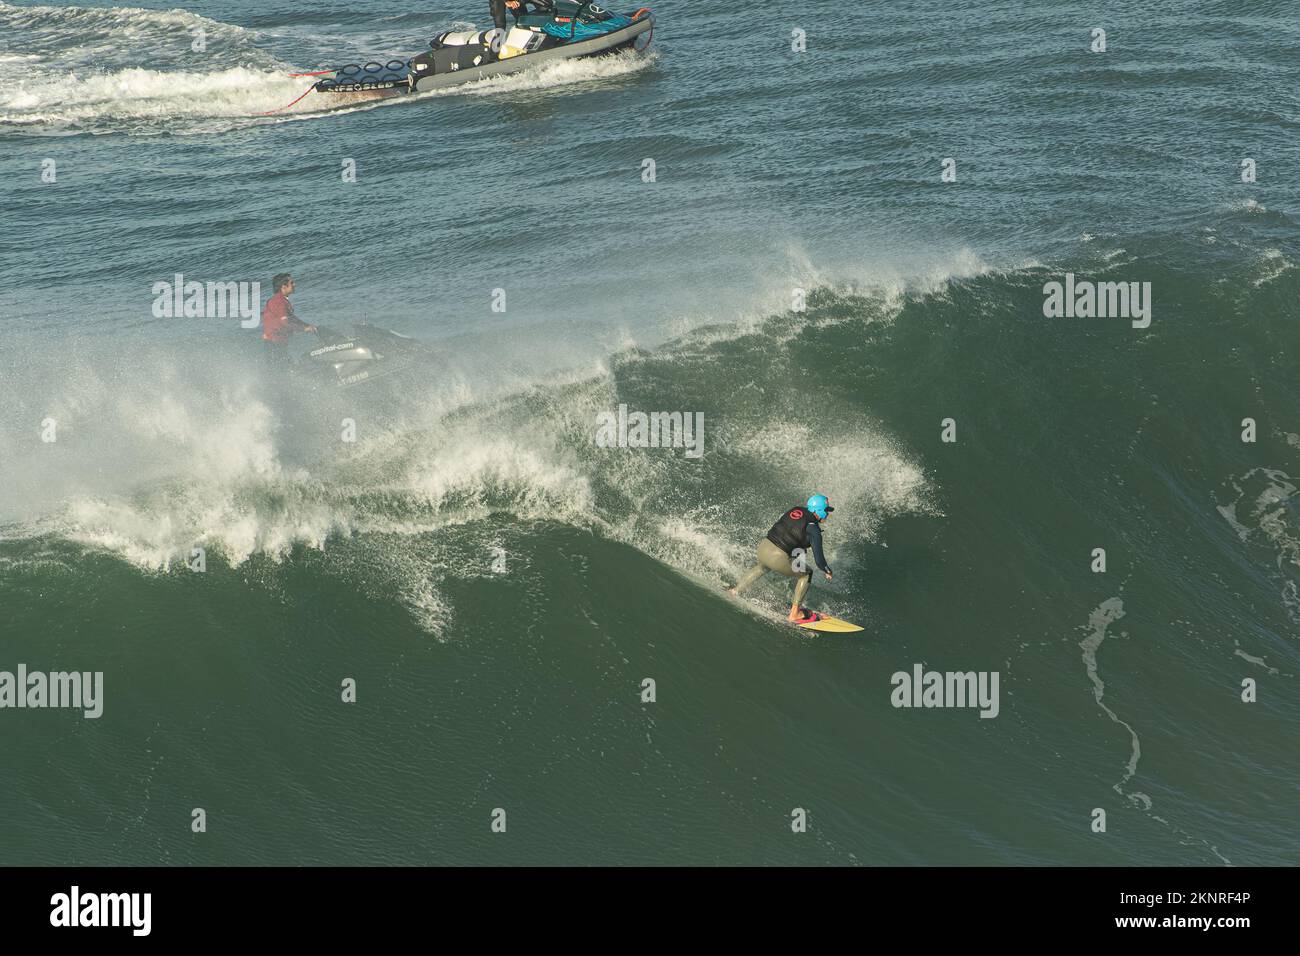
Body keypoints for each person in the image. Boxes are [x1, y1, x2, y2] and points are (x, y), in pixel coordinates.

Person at [728, 494, 835, 623]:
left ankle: (735, 590)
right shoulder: (814, 529)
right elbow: (819, 560)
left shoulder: (796, 510)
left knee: (762, 567)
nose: (827, 514)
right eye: (826, 511)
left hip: (763, 547)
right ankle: (794, 614)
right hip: (778, 558)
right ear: (819, 510)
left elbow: (789, 533)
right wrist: (827, 570)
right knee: (806, 574)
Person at [261, 273, 316, 363]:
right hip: (274, 343)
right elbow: (285, 322)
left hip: (277, 342)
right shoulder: (279, 301)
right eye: (292, 283)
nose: (294, 285)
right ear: (284, 287)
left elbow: (292, 318)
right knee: (282, 370)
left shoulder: (280, 300)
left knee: (287, 367)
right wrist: (304, 328)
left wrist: (307, 325)